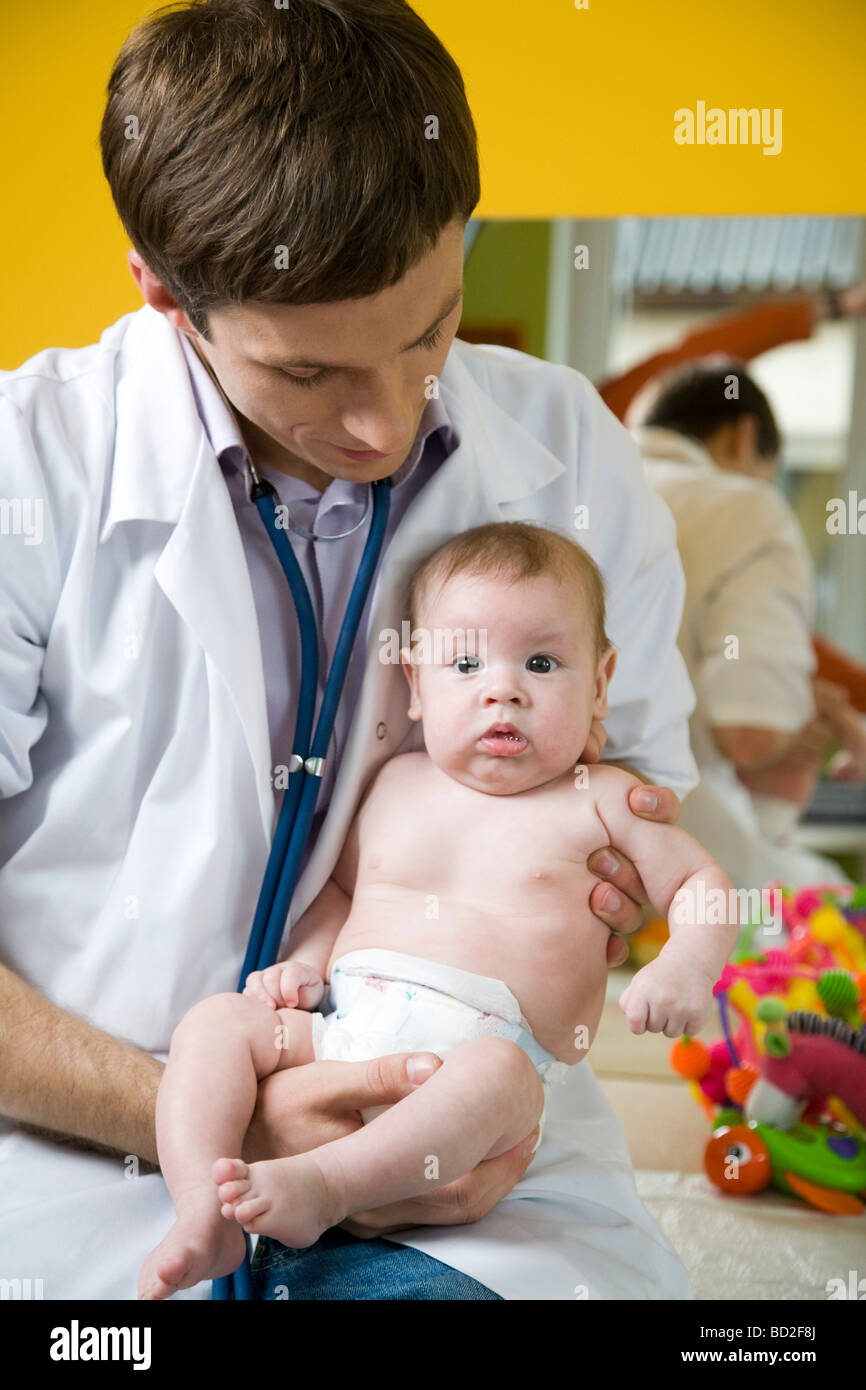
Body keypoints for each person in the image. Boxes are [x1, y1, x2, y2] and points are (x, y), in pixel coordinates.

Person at [0, 0, 700, 1300]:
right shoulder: (26, 469)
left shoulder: (572, 455)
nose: (381, 423)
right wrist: (210, 1116)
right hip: (73, 1166)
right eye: (308, 372)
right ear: (160, 289)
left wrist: (603, 893)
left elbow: (639, 800)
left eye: (428, 331)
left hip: (476, 1178)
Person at [139, 523, 737, 1300]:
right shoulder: (393, 786)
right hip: (343, 1030)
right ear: (416, 687)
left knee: (503, 1078)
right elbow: (345, 892)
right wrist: (305, 965)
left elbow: (701, 883)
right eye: (464, 663)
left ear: (599, 686)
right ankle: (201, 1208)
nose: (504, 689)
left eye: (543, 663)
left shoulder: (603, 801)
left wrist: (685, 963)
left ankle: (326, 1186)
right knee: (215, 1023)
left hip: (478, 1058)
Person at [632, 358, 866, 895]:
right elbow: (750, 733)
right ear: (744, 437)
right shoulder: (747, 511)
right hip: (678, 856)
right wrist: (810, 728)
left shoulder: (573, 482)